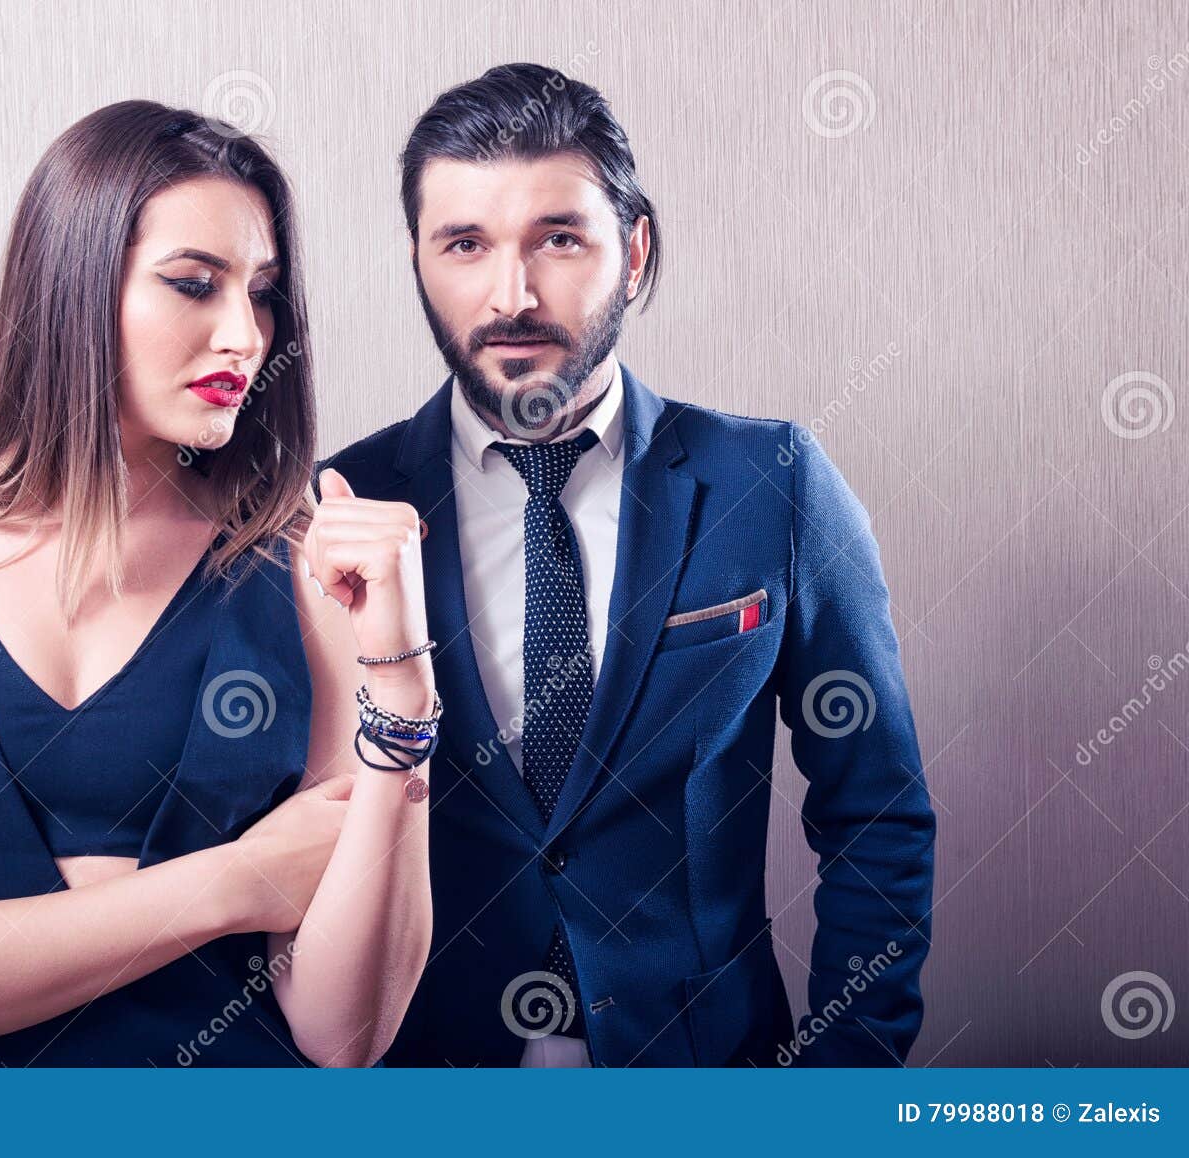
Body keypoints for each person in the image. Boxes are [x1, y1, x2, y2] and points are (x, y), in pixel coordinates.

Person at [0, 100, 437, 1067]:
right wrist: (237, 883)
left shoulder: (297, 563)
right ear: (71, 286)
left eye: (261, 294)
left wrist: (404, 695)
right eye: (193, 284)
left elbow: (344, 1035)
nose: (244, 335)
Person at [318, 64, 937, 1066]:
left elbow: (876, 814)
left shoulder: (769, 483)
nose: (510, 294)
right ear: (419, 262)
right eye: (464, 245)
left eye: (557, 239)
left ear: (634, 250)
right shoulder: (340, 505)